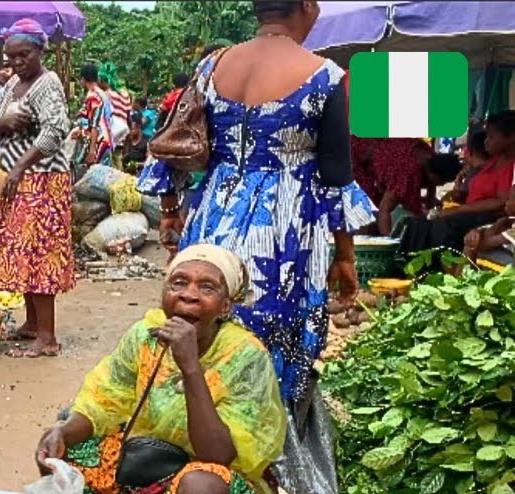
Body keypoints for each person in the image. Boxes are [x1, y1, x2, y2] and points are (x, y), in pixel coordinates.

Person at [138, 0, 374, 411]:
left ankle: (195, 422)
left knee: (205, 319)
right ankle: (262, 439)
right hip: (286, 228)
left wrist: (172, 210)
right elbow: (336, 174)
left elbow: (174, 144)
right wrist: (346, 257)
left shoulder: (212, 66)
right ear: (304, 6)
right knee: (271, 334)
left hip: (212, 215)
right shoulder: (326, 77)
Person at [35, 246, 286, 494]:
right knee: (56, 452)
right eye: (178, 283)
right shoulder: (145, 335)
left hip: (206, 473)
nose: (189, 295)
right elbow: (104, 399)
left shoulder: (245, 357)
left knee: (201, 487)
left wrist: (190, 366)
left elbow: (218, 455)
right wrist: (63, 432)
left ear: (226, 306)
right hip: (148, 457)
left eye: (207, 288)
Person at [0, 18, 75, 358]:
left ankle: (47, 338)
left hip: (42, 181)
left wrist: (21, 167)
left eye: (24, 55)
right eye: (11, 58)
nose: (17, 63)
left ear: (40, 51)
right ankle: (32, 323)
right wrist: (2, 123)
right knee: (21, 252)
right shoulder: (10, 87)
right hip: (15, 181)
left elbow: (54, 131)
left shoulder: (47, 84)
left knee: (39, 254)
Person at [397, 112, 515, 258]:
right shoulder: (492, 161)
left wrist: (459, 210)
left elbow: (501, 202)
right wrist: (460, 194)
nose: (486, 142)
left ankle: (435, 273)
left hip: (487, 215)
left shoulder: (510, 166)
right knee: (418, 223)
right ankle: (405, 266)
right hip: (468, 211)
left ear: (509, 138)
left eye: (491, 137)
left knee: (444, 226)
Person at [350, 137, 461, 236]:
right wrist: (389, 242)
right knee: (367, 207)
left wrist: (430, 198)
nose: (441, 185)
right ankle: (366, 242)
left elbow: (430, 184)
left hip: (374, 146)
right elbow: (385, 209)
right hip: (356, 156)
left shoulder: (428, 154)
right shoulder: (407, 173)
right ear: (435, 175)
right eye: (441, 182)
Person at [74, 64, 113, 166]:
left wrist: (92, 150)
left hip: (99, 142)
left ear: (83, 79)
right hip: (107, 139)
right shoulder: (103, 94)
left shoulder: (93, 96)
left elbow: (95, 124)